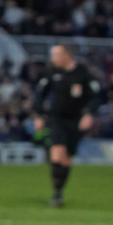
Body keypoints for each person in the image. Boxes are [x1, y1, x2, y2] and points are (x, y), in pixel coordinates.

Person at [32, 44, 101, 208]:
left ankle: (59, 191)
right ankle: (56, 194)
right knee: (57, 153)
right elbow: (39, 94)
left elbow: (96, 95)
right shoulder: (51, 72)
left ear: (67, 55)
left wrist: (89, 113)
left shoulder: (82, 72)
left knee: (67, 157)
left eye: (56, 55)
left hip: (75, 120)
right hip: (55, 118)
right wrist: (39, 115)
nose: (52, 58)